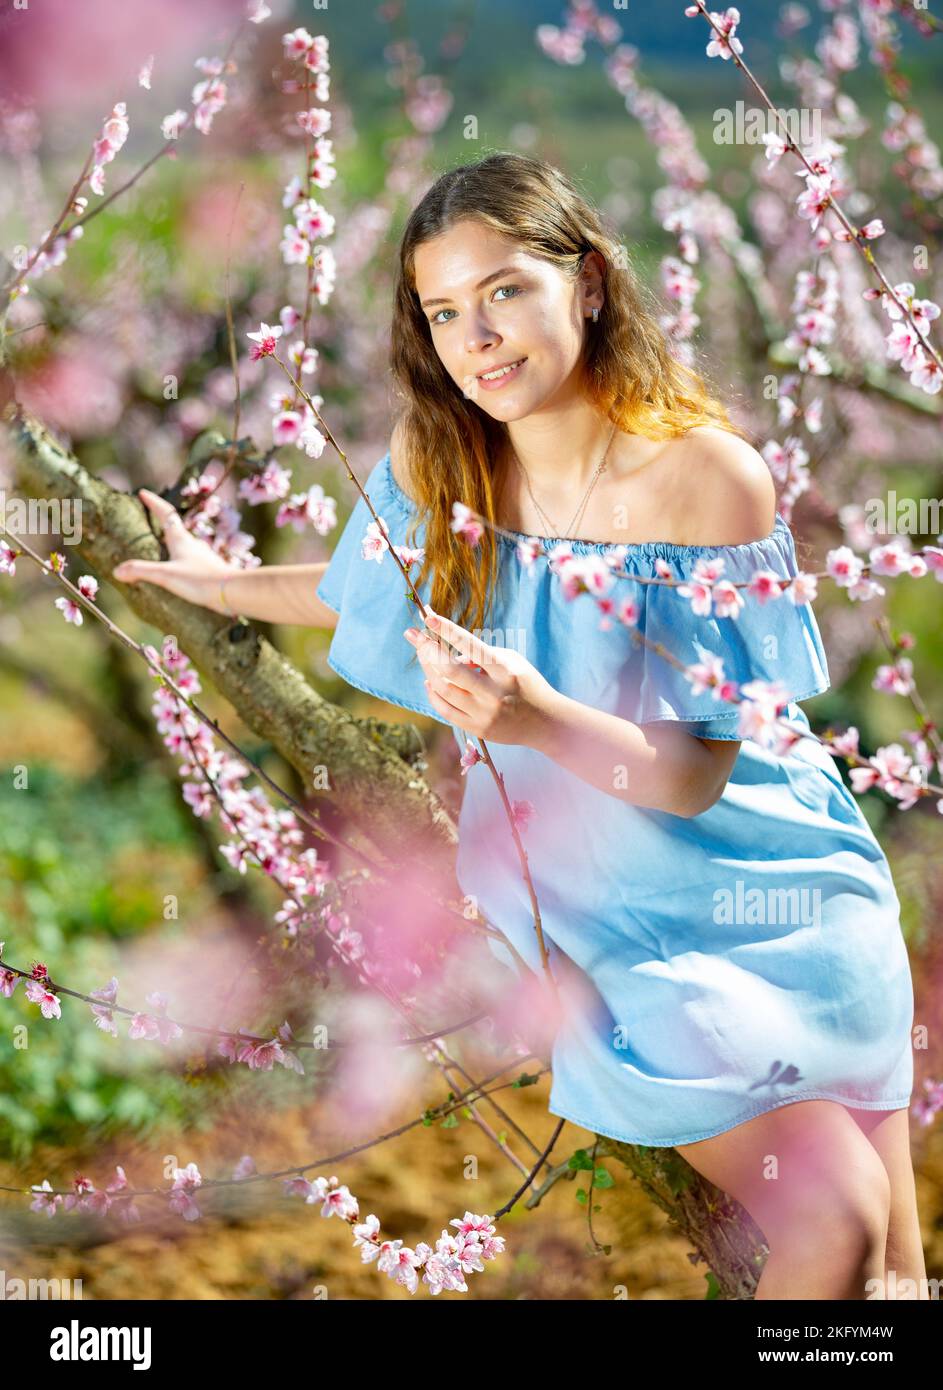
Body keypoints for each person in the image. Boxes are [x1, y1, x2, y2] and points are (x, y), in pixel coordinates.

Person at [112, 152, 924, 1300]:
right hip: (610, 915)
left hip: (783, 884)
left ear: (587, 283)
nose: (477, 337)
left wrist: (538, 718)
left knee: (895, 1276)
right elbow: (365, 589)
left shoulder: (708, 479)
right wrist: (219, 583)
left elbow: (695, 777)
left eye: (504, 292)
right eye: (444, 312)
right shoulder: (442, 463)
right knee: (837, 1220)